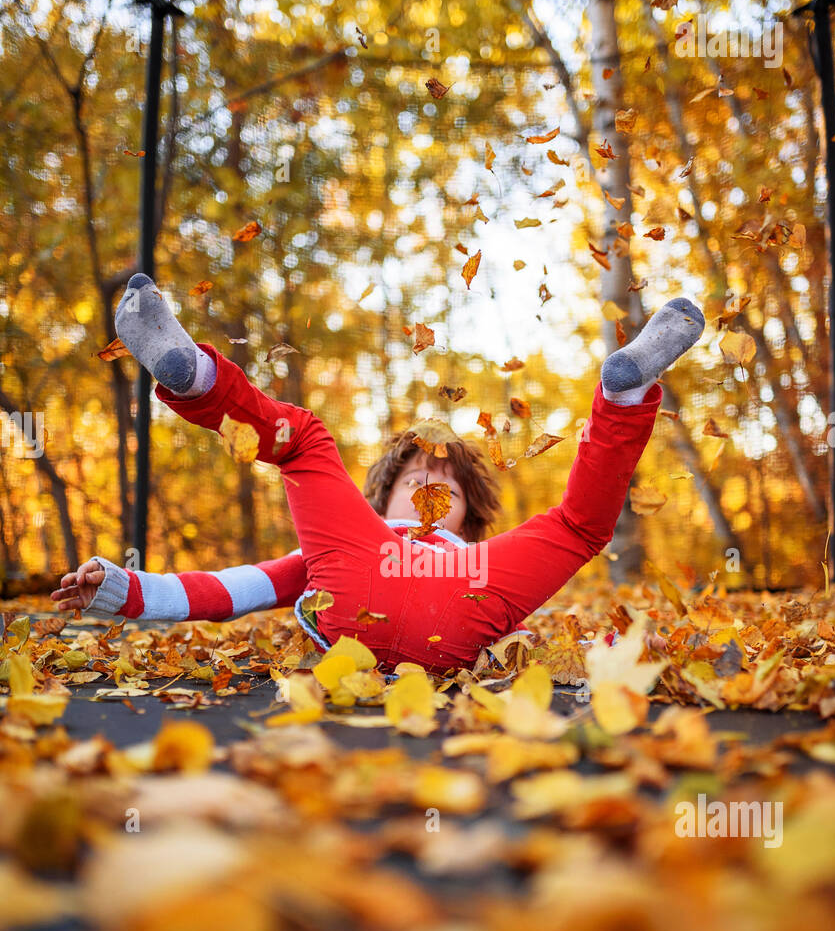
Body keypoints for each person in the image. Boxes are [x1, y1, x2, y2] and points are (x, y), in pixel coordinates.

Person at [53, 275, 704, 673]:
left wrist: (524, 650)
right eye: (413, 478)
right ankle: (191, 372)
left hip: (464, 594)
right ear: (376, 502)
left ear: (470, 515)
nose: (430, 485)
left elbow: (520, 626)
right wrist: (123, 589)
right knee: (576, 527)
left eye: (445, 485)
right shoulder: (342, 548)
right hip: (371, 583)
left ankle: (622, 392)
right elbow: (232, 590)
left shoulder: (479, 559)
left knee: (576, 526)